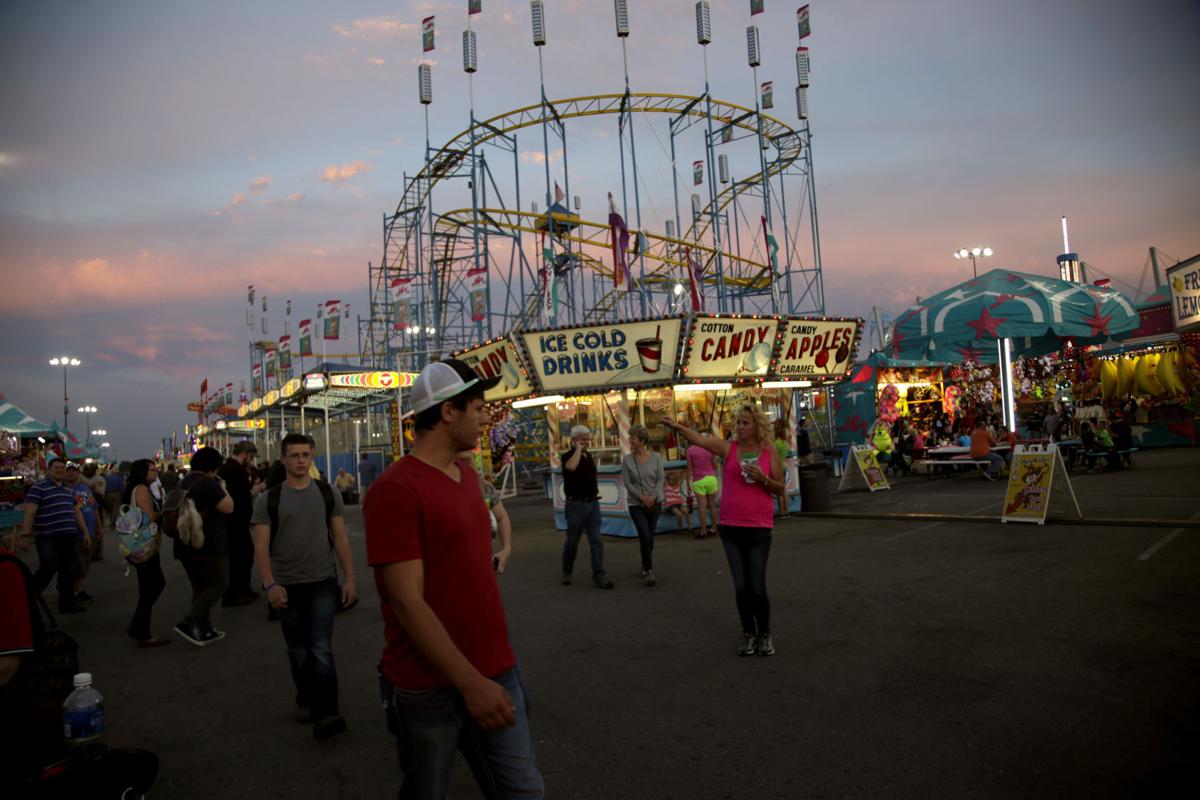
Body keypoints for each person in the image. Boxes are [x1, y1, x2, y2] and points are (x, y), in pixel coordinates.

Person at [364, 358, 544, 797]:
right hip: (429, 689)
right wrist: (470, 684)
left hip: (497, 667)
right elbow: (408, 602)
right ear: (447, 412)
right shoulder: (396, 491)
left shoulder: (466, 477)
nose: (486, 417)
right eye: (478, 407)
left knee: (524, 792)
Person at [252, 433, 356, 738]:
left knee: (321, 649)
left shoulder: (327, 493)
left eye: (305, 455)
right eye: (294, 455)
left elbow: (340, 538)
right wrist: (269, 585)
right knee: (297, 650)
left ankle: (328, 712)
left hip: (323, 581)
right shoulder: (268, 499)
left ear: (312, 457)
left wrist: (350, 578)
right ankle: (306, 698)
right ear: (283, 459)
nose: (300, 460)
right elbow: (260, 546)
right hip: (286, 585)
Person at [665, 405, 785, 657]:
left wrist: (762, 477)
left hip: (758, 527)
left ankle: (764, 633)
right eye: (738, 422)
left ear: (757, 426)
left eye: (745, 423)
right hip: (730, 526)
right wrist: (679, 427)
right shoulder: (729, 449)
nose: (739, 427)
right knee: (741, 586)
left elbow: (780, 489)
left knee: (757, 586)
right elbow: (701, 439)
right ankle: (748, 633)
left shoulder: (768, 452)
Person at [173, 446, 234, 646]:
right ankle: (188, 622)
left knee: (200, 587)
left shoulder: (182, 482)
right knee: (219, 583)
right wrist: (223, 488)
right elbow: (228, 507)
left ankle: (205, 629)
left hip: (184, 543)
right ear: (214, 466)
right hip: (209, 543)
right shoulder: (208, 483)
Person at [21, 456, 90, 613]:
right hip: (47, 536)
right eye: (56, 468)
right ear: (49, 470)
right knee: (48, 568)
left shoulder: (68, 490)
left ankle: (66, 604)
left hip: (68, 535)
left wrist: (85, 532)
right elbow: (30, 512)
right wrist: (25, 536)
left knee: (67, 570)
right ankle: (26, 596)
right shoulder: (39, 487)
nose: (60, 470)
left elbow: (76, 512)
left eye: (62, 468)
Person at [123, 459, 170, 647]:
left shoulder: (137, 488)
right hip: (144, 544)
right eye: (152, 469)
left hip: (141, 544)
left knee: (150, 585)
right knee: (153, 584)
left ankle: (140, 626)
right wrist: (164, 512)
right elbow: (150, 516)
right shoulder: (142, 489)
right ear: (142, 472)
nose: (156, 472)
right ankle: (140, 627)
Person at [560, 424, 613, 589]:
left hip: (592, 504)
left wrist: (582, 451)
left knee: (596, 540)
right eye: (583, 439)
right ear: (574, 440)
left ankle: (599, 576)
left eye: (587, 438)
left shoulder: (588, 457)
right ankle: (567, 571)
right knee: (572, 542)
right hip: (576, 505)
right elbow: (571, 467)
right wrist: (577, 449)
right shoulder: (568, 456)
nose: (586, 442)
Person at [220, 440, 261, 607]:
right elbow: (243, 496)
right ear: (244, 453)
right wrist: (257, 489)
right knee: (242, 557)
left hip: (232, 522)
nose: (251, 461)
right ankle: (236, 592)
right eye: (251, 457)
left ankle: (242, 589)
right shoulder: (237, 471)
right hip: (237, 522)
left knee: (240, 557)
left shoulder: (227, 468)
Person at [622, 424, 664, 586]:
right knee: (645, 535)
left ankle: (645, 563)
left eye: (633, 438)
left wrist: (652, 496)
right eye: (630, 437)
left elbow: (660, 479)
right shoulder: (627, 460)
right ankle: (649, 570)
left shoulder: (656, 458)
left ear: (642, 440)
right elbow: (627, 483)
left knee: (649, 536)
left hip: (655, 502)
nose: (630, 440)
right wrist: (642, 497)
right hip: (636, 504)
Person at [63, 463, 97, 607]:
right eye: (68, 471)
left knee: (85, 563)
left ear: (78, 473)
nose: (71, 473)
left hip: (89, 531)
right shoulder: (62, 490)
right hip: (73, 533)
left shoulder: (85, 489)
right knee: (78, 564)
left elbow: (94, 508)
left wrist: (99, 527)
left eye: (74, 471)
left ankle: (77, 589)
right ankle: (76, 591)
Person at [686, 426, 719, 539]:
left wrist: (687, 484)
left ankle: (703, 530)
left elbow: (689, 469)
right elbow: (715, 466)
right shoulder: (710, 449)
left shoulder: (690, 450)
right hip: (711, 479)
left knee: (701, 507)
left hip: (698, 480)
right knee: (712, 505)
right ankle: (714, 528)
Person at [83, 463, 107, 555]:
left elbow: (100, 493)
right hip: (85, 506)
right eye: (86, 469)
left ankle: (98, 552)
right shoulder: (83, 479)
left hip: (98, 506)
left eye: (89, 469)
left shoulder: (99, 479)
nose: (87, 471)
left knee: (98, 528)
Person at [772, 420, 791, 517]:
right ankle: (787, 511)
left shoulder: (775, 443)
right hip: (783, 466)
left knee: (779, 491)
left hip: (777, 468)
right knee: (784, 490)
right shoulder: (785, 444)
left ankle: (781, 512)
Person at [104, 465, 126, 530]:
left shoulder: (107, 478)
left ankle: (112, 522)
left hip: (108, 494)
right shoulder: (119, 478)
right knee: (115, 509)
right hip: (117, 494)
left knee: (110, 508)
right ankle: (112, 523)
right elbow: (122, 488)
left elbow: (105, 486)